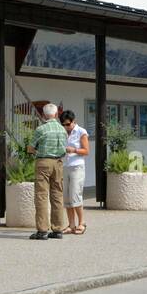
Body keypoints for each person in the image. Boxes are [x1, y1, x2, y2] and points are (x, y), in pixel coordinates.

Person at [26, 102, 67, 240]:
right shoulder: (62, 129)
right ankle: (58, 229)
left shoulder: (41, 129)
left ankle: (42, 230)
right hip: (58, 162)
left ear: (43, 115)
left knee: (41, 195)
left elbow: (30, 148)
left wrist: (36, 150)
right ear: (56, 114)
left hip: (43, 162)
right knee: (57, 196)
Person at [60, 109, 89, 234]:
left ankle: (81, 223)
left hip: (77, 166)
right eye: (64, 124)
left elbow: (86, 151)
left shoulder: (81, 132)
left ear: (73, 121)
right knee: (66, 197)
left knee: (75, 195)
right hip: (65, 166)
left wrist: (74, 150)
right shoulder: (63, 132)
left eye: (68, 124)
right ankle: (71, 224)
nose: (66, 127)